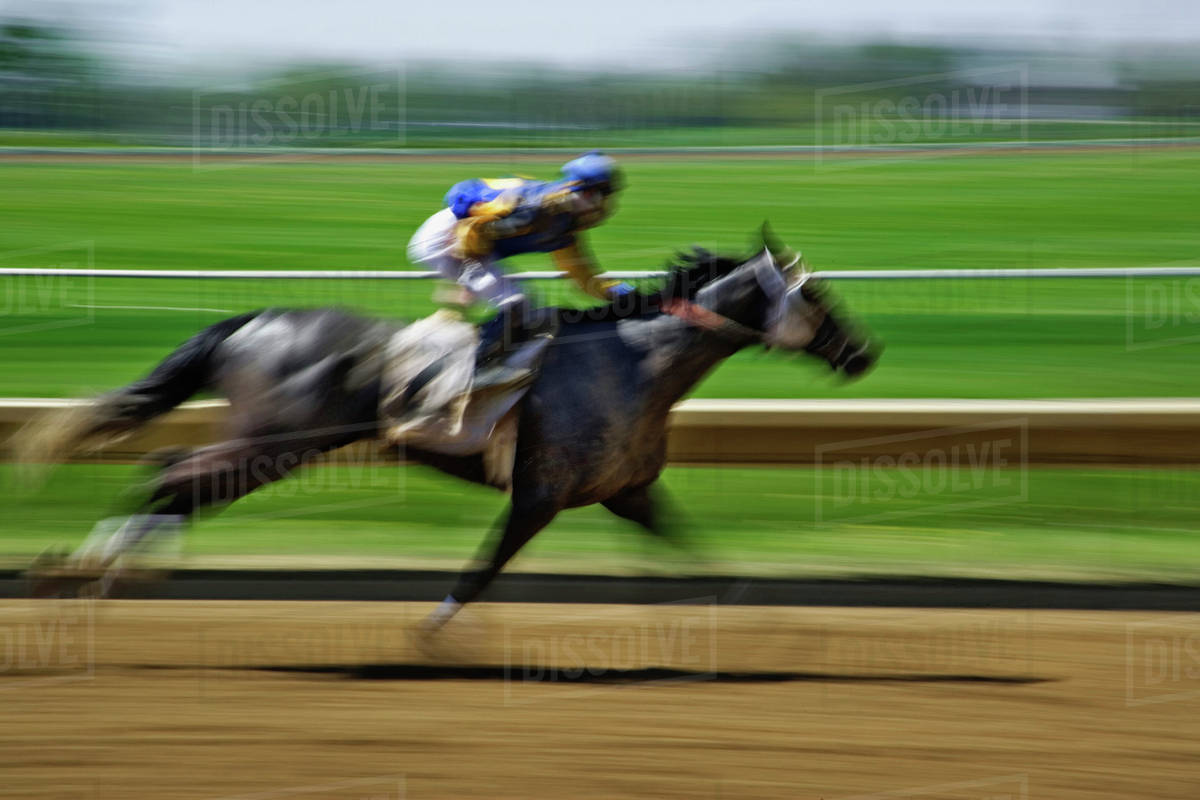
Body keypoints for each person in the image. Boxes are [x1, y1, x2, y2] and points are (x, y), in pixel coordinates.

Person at [407, 151, 633, 381]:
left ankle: (483, 351)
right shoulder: (532, 206)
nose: (605, 202)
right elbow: (461, 195)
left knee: (528, 307)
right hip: (443, 241)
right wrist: (469, 255)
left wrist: (619, 292)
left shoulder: (564, 226)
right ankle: (469, 374)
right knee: (518, 305)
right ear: (583, 190)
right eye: (603, 193)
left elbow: (581, 275)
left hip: (474, 252)